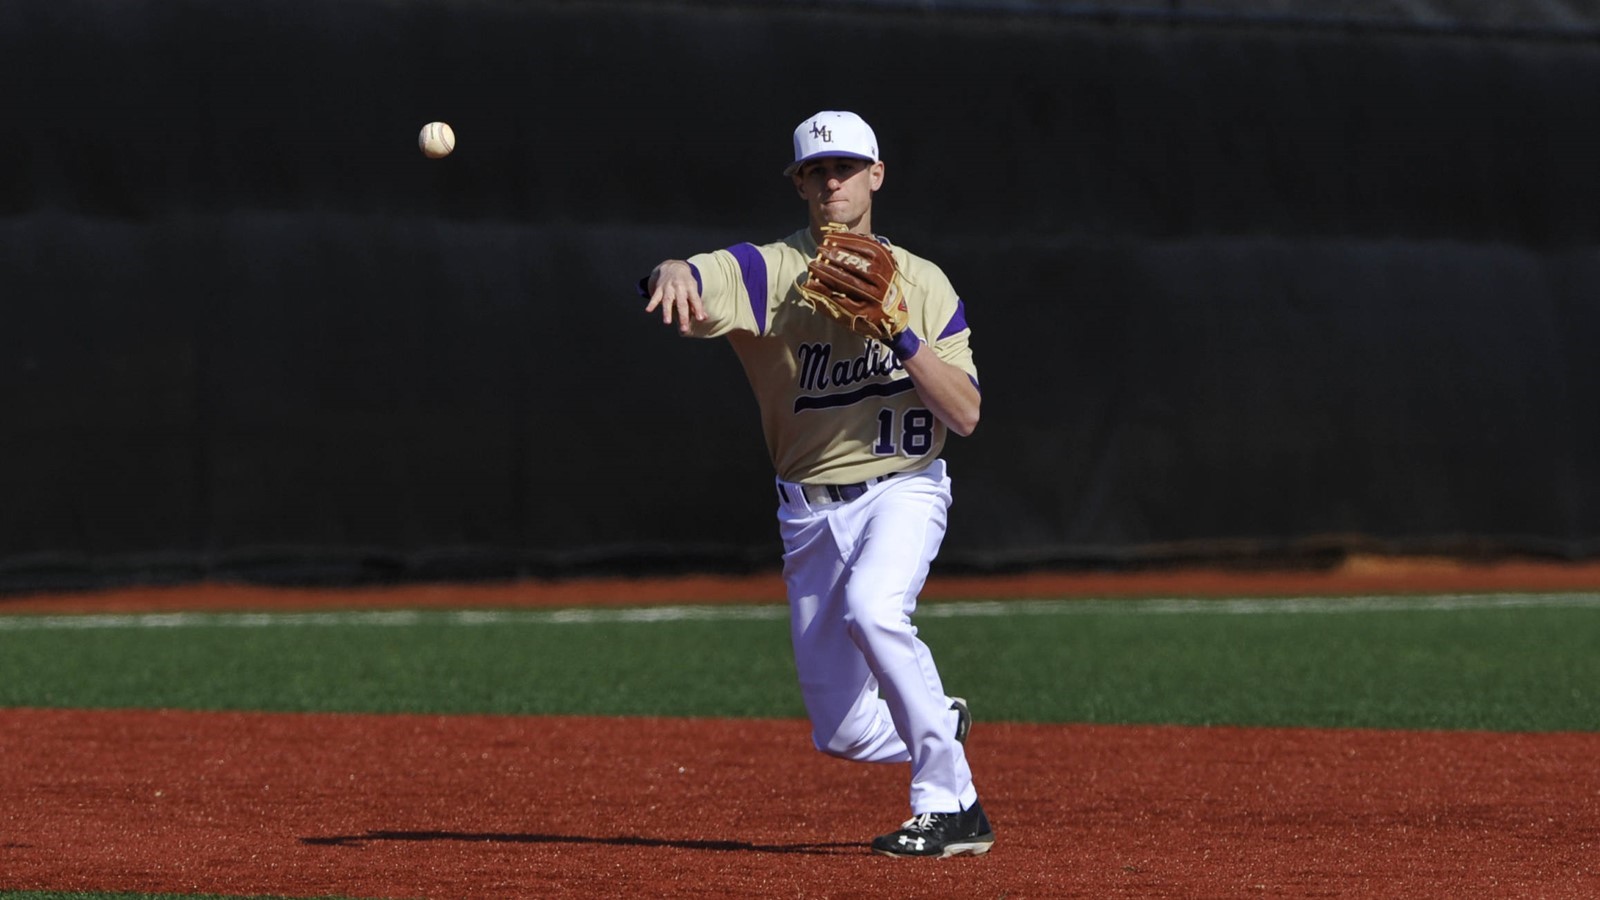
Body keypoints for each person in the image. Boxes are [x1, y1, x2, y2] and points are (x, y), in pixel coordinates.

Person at [640, 110, 991, 859]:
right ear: (801, 184)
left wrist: (897, 332)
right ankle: (937, 716)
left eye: (846, 167)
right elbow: (704, 274)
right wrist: (674, 271)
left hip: (905, 487)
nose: (832, 181)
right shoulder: (778, 271)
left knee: (875, 609)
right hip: (809, 515)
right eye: (817, 171)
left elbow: (965, 415)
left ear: (876, 175)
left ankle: (951, 807)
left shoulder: (923, 283)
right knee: (844, 732)